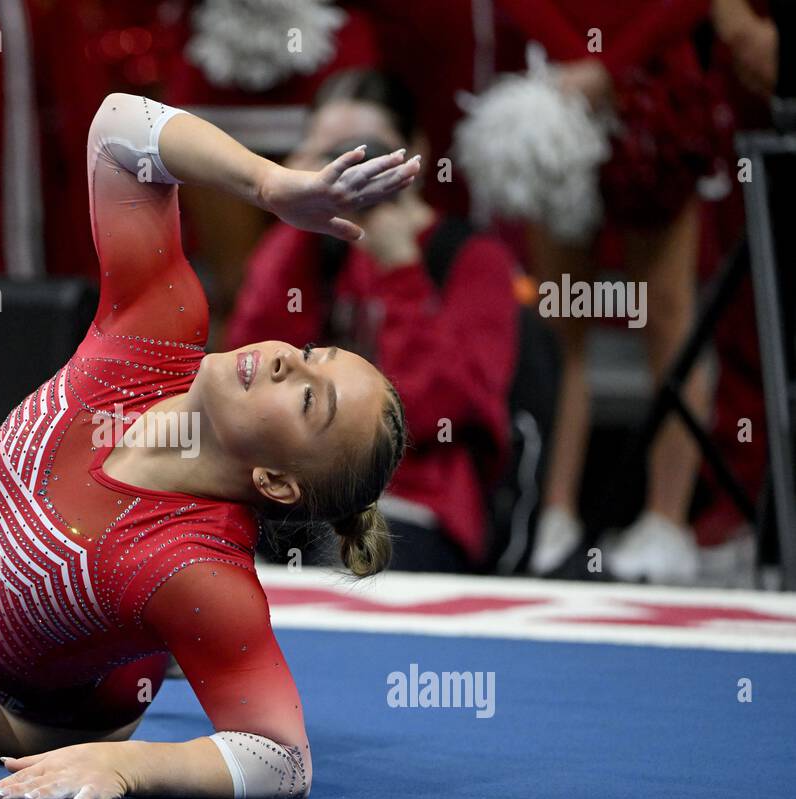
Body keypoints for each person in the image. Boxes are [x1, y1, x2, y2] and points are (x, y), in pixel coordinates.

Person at [0, 93, 420, 799]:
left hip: (2, 692)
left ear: (274, 482)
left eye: (309, 400)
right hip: (28, 609)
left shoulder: (196, 570)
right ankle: (164, 648)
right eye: (310, 353)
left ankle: (158, 655)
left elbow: (282, 758)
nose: (284, 361)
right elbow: (120, 128)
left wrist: (128, 766)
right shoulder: (160, 325)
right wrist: (269, 186)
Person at [227, 70, 521, 573]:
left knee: (342, 563)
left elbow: (430, 411)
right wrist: (299, 216)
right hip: (293, 494)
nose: (349, 171)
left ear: (416, 154)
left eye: (370, 153)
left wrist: (401, 269)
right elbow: (246, 374)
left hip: (413, 504)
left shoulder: (472, 260)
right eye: (330, 156)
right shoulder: (310, 250)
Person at [496, 0, 719, 584]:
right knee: (561, 309)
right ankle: (555, 511)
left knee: (667, 310)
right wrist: (578, 65)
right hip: (556, 93)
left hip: (654, 90)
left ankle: (667, 522)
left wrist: (613, 66)